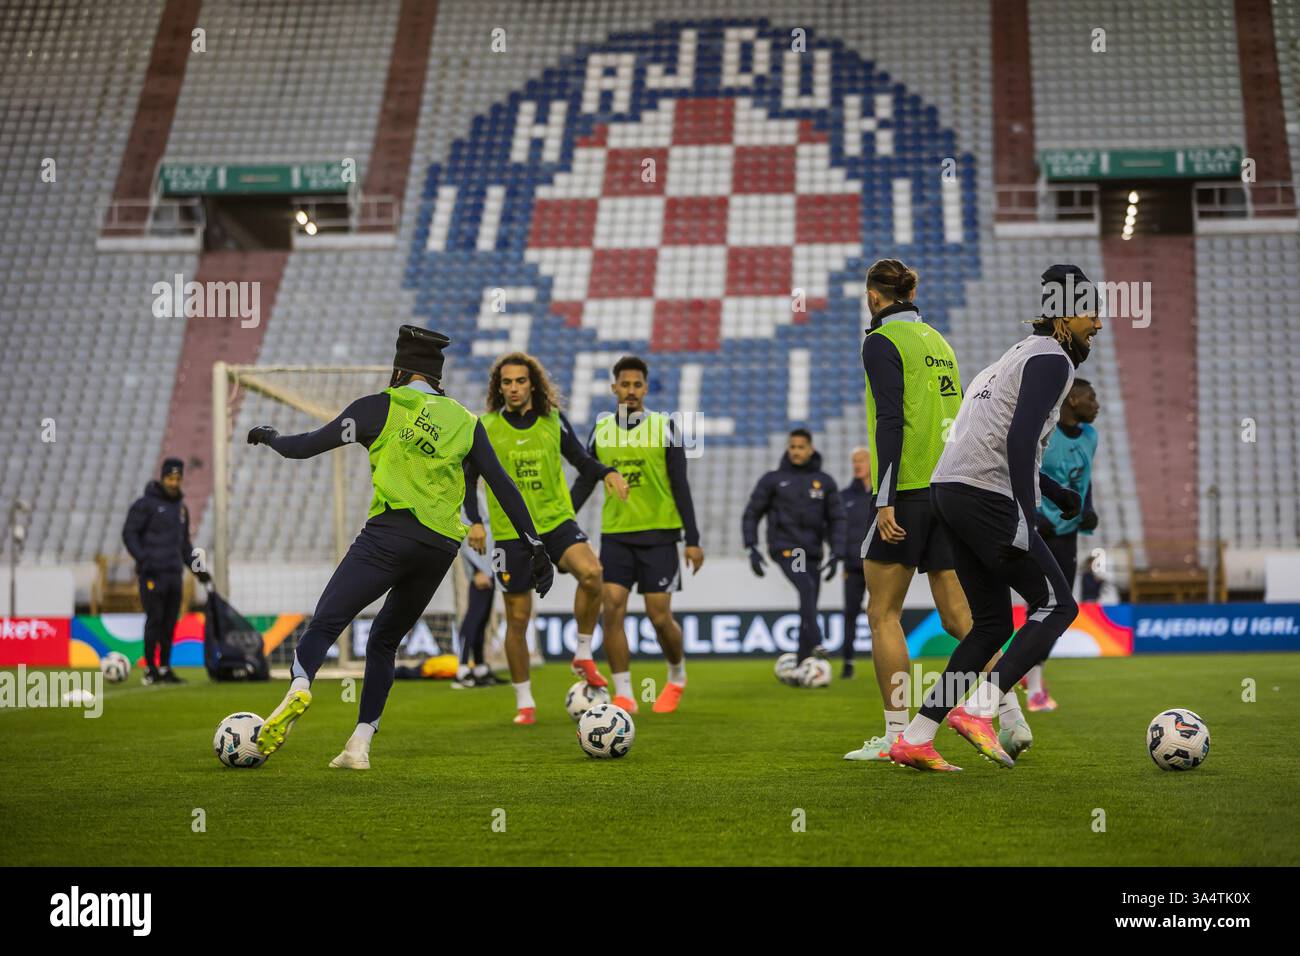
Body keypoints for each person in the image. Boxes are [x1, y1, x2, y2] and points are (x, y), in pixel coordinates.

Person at [247, 326, 553, 769]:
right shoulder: (466, 421)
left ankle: (299, 686)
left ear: (399, 371)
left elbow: (305, 447)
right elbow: (502, 484)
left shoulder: (379, 407)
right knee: (385, 641)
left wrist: (271, 436)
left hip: (389, 535)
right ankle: (359, 745)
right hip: (440, 547)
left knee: (328, 620)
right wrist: (535, 545)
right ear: (436, 377)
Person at [890, 264, 1100, 772]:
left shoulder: (1013, 356)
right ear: (1064, 315)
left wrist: (1055, 493)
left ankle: (915, 738)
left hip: (950, 490)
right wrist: (1031, 514)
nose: (1098, 322)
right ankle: (981, 710)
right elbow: (1019, 438)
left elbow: (1001, 436)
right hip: (986, 495)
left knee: (987, 626)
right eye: (1091, 311)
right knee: (1056, 605)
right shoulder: (1053, 359)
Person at [844, 258, 1005, 763]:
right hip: (950, 488)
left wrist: (883, 496)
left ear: (874, 296)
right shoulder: (938, 340)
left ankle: (897, 736)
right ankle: (1007, 715)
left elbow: (890, 421)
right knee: (963, 618)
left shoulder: (879, 341)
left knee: (882, 612)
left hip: (909, 490)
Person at [463, 352, 629, 725]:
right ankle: (525, 701)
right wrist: (475, 521)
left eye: (520, 381)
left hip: (556, 522)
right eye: (506, 382)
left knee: (592, 573)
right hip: (509, 533)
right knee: (517, 618)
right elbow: (468, 477)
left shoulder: (553, 421)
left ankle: (583, 653)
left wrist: (607, 472)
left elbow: (582, 461)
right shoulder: (485, 426)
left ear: (533, 384)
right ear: (498, 387)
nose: (514, 388)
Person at [570, 355, 703, 715]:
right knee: (612, 610)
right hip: (616, 535)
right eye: (624, 385)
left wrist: (692, 539)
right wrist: (563, 520)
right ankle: (625, 692)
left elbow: (680, 484)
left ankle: (676, 675)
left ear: (645, 388)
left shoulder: (665, 426)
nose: (630, 391)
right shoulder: (601, 430)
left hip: (660, 535)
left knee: (659, 617)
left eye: (637, 385)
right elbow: (586, 479)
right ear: (614, 388)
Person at [1025, 378, 1100, 711]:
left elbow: (1085, 479)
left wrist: (1088, 509)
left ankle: (1030, 672)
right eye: (1091, 398)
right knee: (1043, 604)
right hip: (1039, 529)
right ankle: (1033, 688)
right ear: (1072, 400)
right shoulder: (1047, 432)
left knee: (1061, 609)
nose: (1096, 404)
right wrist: (1035, 513)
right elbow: (1027, 472)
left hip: (1067, 532)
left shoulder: (1091, 436)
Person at [742, 429, 845, 664]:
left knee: (808, 602)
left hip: (813, 552)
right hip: (788, 548)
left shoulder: (825, 481)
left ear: (811, 449)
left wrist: (837, 551)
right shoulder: (773, 480)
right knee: (807, 589)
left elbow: (836, 518)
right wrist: (751, 547)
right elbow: (751, 514)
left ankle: (802, 662)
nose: (796, 451)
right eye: (792, 447)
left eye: (800, 447)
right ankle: (817, 641)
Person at [121, 457, 210, 685]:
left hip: (173, 575)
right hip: (152, 574)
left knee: (170, 623)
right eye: (170, 477)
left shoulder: (181, 509)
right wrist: (144, 559)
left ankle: (165, 668)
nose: (173, 482)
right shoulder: (145, 504)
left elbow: (185, 546)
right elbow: (129, 534)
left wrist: (198, 569)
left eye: (177, 478)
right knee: (155, 620)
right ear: (162, 477)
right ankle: (151, 669)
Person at [452, 494, 503, 688]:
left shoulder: (482, 493)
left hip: (490, 563)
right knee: (473, 616)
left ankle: (480, 667)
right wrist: (475, 571)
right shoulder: (466, 494)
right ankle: (462, 668)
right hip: (480, 566)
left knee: (482, 617)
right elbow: (465, 534)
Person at [837, 447, 872, 680]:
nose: (857, 465)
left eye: (861, 460)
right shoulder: (844, 497)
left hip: (880, 565)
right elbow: (837, 531)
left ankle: (889, 659)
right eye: (854, 461)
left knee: (884, 614)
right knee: (850, 614)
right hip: (852, 567)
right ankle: (848, 663)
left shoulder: (883, 494)